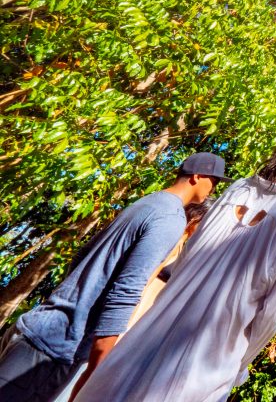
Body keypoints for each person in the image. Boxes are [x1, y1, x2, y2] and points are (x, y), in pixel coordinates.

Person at [73, 120, 276, 402]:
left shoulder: (239, 188)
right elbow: (274, 308)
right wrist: (239, 363)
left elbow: (187, 256)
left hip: (149, 335)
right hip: (205, 364)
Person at [0, 152, 226, 402]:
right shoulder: (170, 219)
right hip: (55, 348)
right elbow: (126, 290)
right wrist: (99, 367)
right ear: (198, 177)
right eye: (214, 181)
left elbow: (82, 255)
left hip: (38, 329)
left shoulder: (149, 202)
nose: (212, 189)